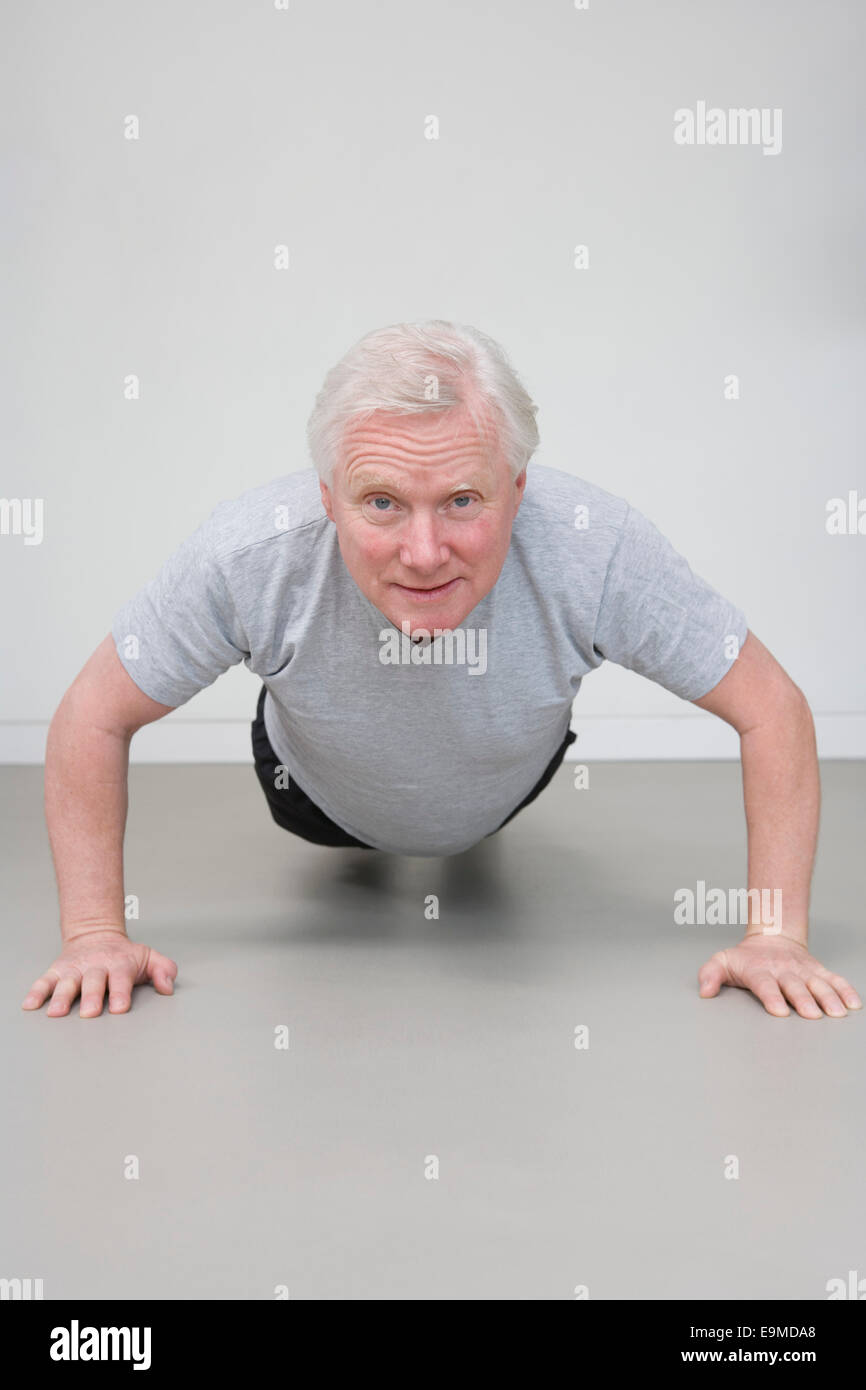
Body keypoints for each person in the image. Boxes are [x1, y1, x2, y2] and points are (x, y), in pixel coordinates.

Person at [24, 321, 861, 1022]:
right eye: (382, 502)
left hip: (505, 775)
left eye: (463, 500)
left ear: (518, 488)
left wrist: (776, 936)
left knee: (482, 807)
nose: (424, 556)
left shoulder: (596, 549)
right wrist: (94, 932)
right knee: (334, 822)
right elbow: (94, 713)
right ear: (326, 498)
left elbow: (771, 707)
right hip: (311, 789)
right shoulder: (250, 555)